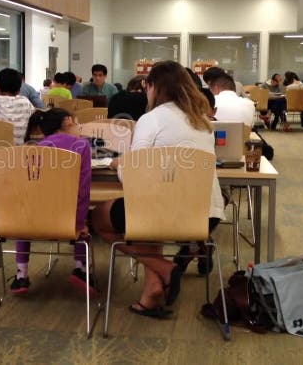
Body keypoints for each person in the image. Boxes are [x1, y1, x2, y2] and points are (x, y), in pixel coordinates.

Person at [91, 61, 225, 318]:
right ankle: (151, 292)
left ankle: (163, 269)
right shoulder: (202, 121)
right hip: (205, 217)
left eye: (147, 87)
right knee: (150, 214)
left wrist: (120, 163)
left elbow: (136, 176)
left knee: (100, 218)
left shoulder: (151, 119)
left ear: (154, 87)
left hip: (164, 212)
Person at [10, 108, 93, 295]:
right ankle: (81, 269)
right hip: (68, 220)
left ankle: (21, 275)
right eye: (77, 122)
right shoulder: (82, 146)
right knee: (84, 227)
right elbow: (83, 189)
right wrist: (80, 222)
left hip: (33, 220)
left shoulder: (36, 148)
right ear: (68, 121)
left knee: (24, 224)